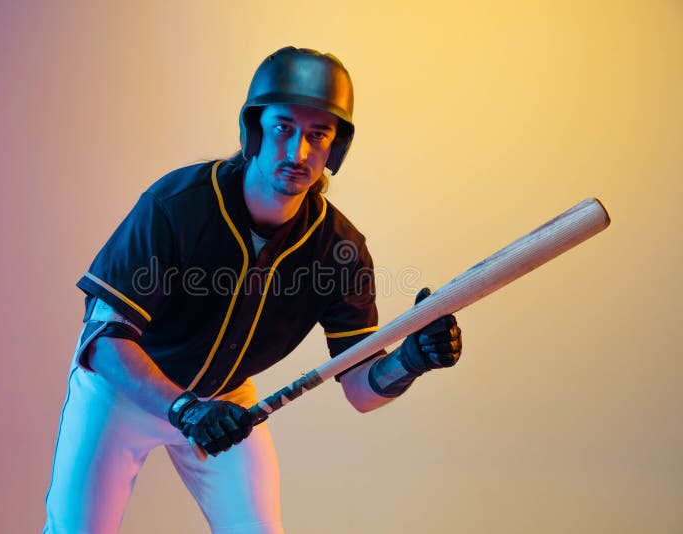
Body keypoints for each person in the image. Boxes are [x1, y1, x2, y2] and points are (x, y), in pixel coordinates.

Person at [43, 46, 462, 534]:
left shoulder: (340, 250)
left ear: (335, 148)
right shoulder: (176, 206)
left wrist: (411, 360)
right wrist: (184, 408)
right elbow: (104, 340)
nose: (298, 152)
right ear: (255, 129)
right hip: (128, 392)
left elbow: (360, 388)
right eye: (284, 128)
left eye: (317, 135)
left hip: (226, 400)